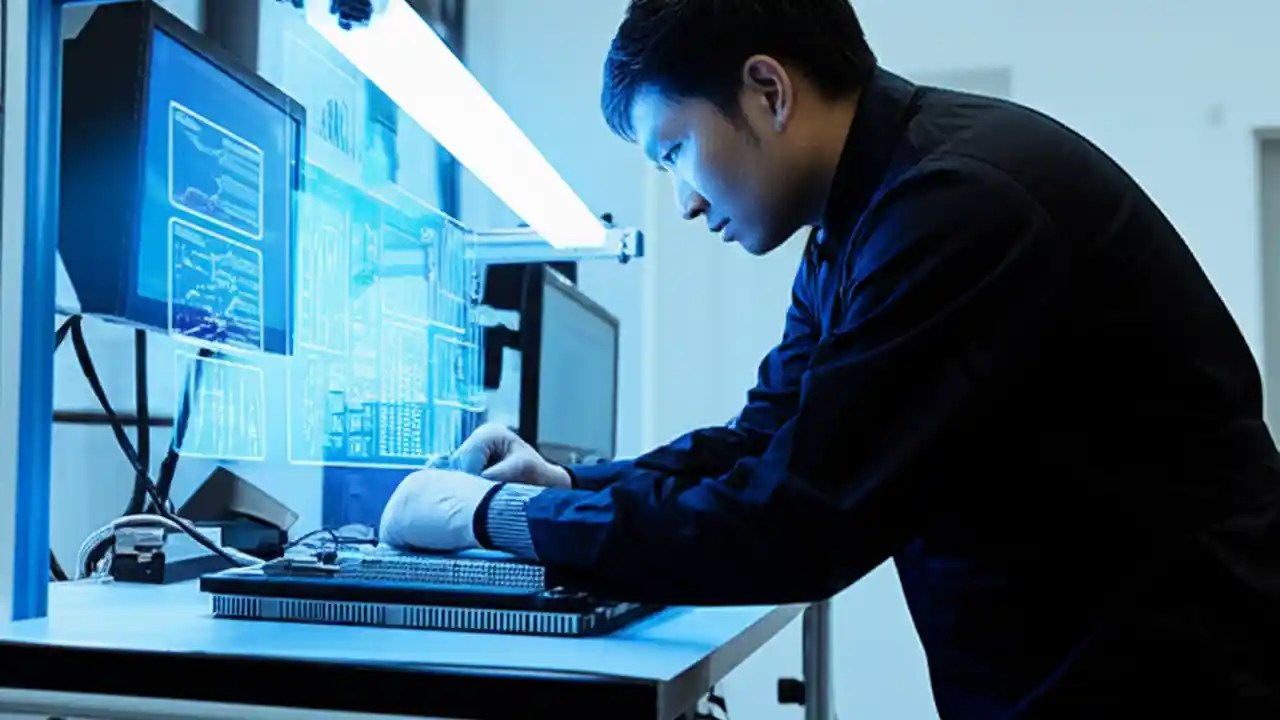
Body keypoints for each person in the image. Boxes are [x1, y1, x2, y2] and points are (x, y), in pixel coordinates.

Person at [379, 0, 1280, 715]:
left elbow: (797, 523)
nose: (686, 204)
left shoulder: (955, 208)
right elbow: (763, 441)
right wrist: (567, 492)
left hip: (1172, 679)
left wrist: (493, 519)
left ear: (767, 90)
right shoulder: (864, 221)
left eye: (677, 152)